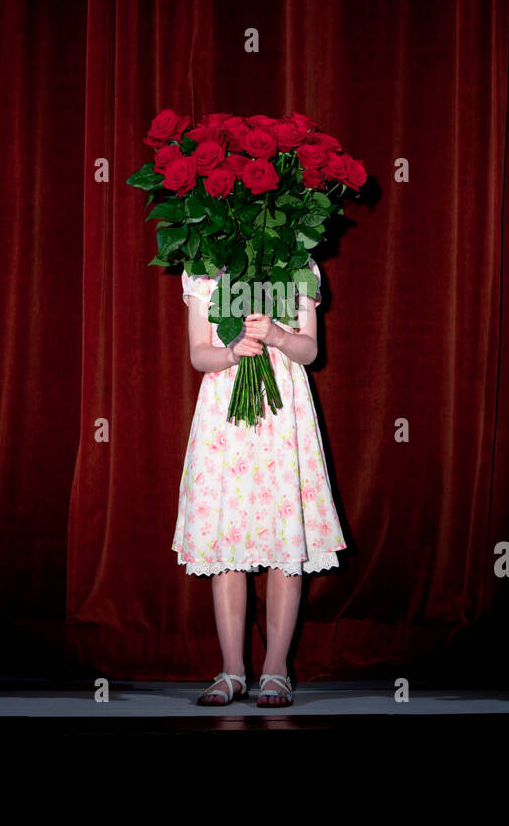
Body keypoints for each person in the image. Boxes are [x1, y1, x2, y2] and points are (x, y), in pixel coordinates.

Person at [174, 256, 347, 707]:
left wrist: (277, 336)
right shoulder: (202, 266)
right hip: (225, 413)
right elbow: (198, 353)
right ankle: (231, 671)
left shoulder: (299, 264)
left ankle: (275, 672)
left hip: (283, 414)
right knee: (226, 545)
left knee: (284, 541)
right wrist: (231, 353)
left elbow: (310, 351)